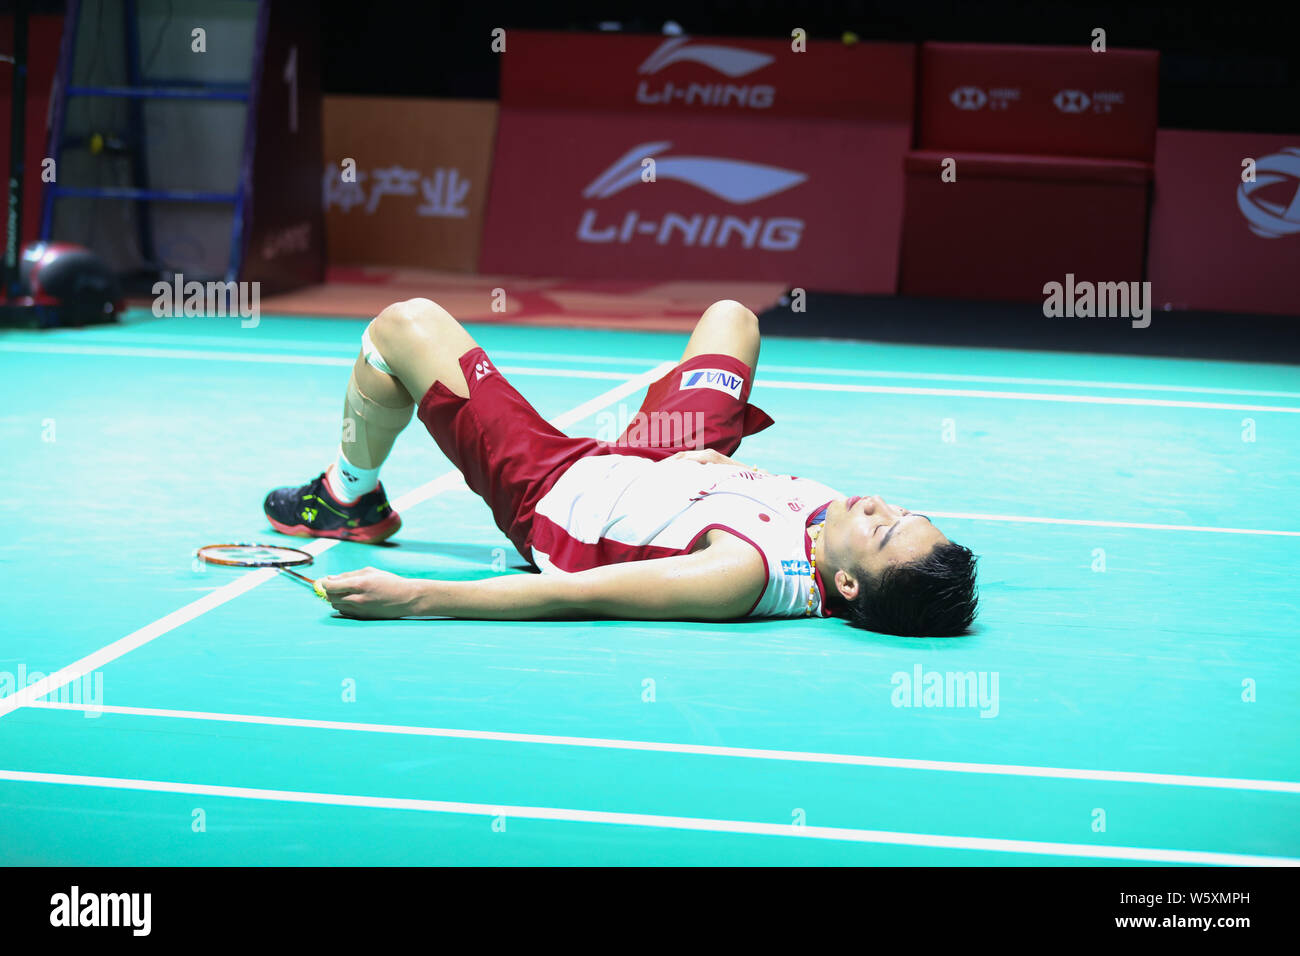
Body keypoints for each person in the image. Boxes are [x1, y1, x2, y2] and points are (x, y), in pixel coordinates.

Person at [263, 298, 977, 635]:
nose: (880, 505)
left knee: (403, 328)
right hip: (670, 465)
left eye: (885, 530)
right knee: (733, 318)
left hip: (559, 489)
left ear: (846, 584)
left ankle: (346, 499)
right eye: (905, 510)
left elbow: (580, 594)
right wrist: (704, 471)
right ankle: (354, 474)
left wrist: (415, 595)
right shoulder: (840, 533)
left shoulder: (741, 573)